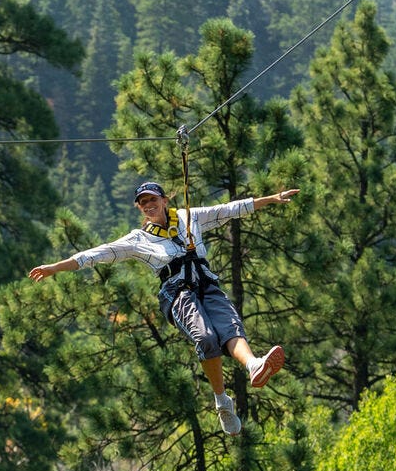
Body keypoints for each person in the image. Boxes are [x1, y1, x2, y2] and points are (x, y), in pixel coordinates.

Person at [29, 181, 299, 435]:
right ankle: (222, 403)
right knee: (206, 338)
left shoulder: (189, 217)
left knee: (229, 328)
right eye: (143, 202)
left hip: (206, 283)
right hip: (178, 292)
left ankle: (254, 365)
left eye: (152, 199)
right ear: (139, 208)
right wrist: (55, 268)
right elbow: (95, 254)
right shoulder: (138, 239)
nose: (148, 205)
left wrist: (272, 199)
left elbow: (229, 209)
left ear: (164, 200)